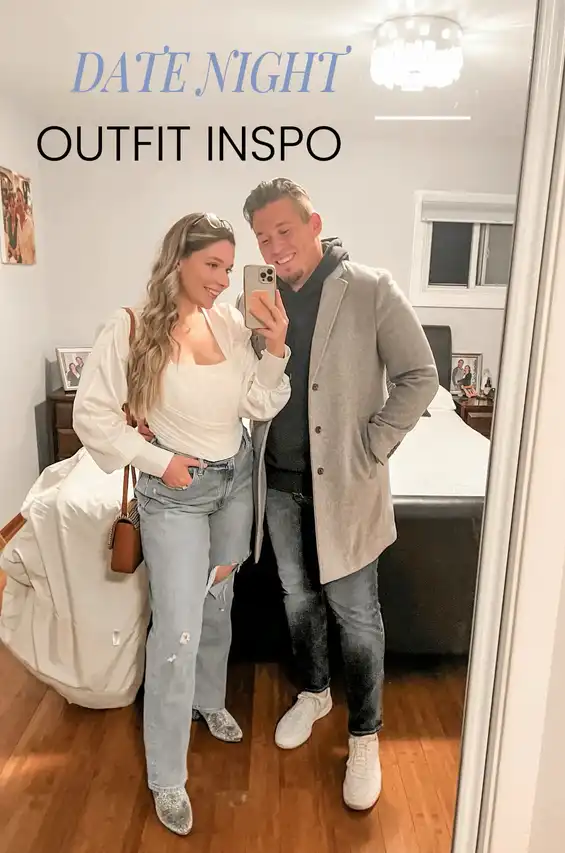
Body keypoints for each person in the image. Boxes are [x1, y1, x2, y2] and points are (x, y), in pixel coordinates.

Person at [72, 212, 291, 836]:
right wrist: (157, 460)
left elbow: (256, 402)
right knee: (178, 631)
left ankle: (208, 701)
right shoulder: (130, 326)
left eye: (229, 267)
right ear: (179, 260)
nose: (223, 279)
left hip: (234, 483)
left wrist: (275, 348)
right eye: (212, 265)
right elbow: (93, 416)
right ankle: (167, 774)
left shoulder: (228, 323)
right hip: (177, 493)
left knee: (218, 602)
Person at [239, 178, 439, 811]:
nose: (274, 247)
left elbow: (420, 375)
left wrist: (375, 444)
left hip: (347, 486)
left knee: (355, 612)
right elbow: (255, 383)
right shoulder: (261, 299)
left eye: (284, 231)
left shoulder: (371, 288)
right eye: (262, 238)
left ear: (314, 224)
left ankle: (364, 735)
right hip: (278, 483)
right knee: (297, 597)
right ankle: (315, 692)